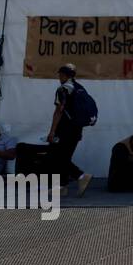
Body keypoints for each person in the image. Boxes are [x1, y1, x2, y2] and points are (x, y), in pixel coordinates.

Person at [45, 63, 93, 196]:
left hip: (64, 130)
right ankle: (62, 187)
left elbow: (59, 111)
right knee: (64, 157)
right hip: (76, 130)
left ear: (64, 75)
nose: (59, 77)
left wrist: (52, 131)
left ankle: (81, 176)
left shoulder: (63, 89)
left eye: (60, 74)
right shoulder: (80, 88)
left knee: (56, 157)